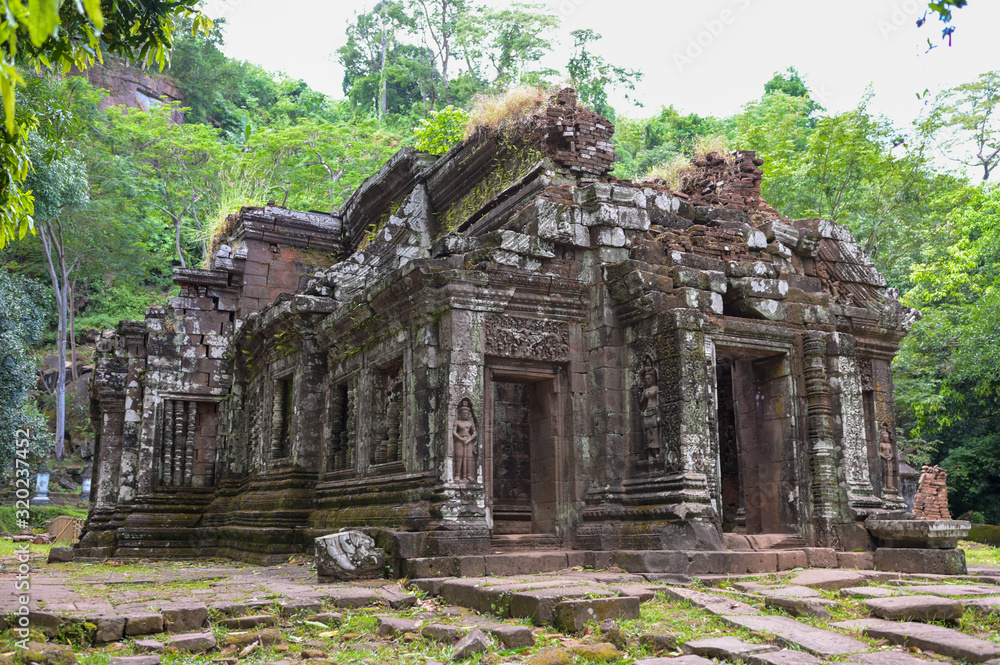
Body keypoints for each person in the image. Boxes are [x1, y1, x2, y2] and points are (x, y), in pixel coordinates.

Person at [453, 398, 478, 482]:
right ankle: (457, 475)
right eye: (463, 413)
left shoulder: (470, 423)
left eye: (466, 413)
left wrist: (469, 439)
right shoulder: (457, 422)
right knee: (459, 457)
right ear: (460, 413)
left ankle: (468, 475)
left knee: (469, 458)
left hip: (468, 442)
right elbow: (454, 432)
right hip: (459, 441)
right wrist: (460, 438)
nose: (465, 414)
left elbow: (475, 433)